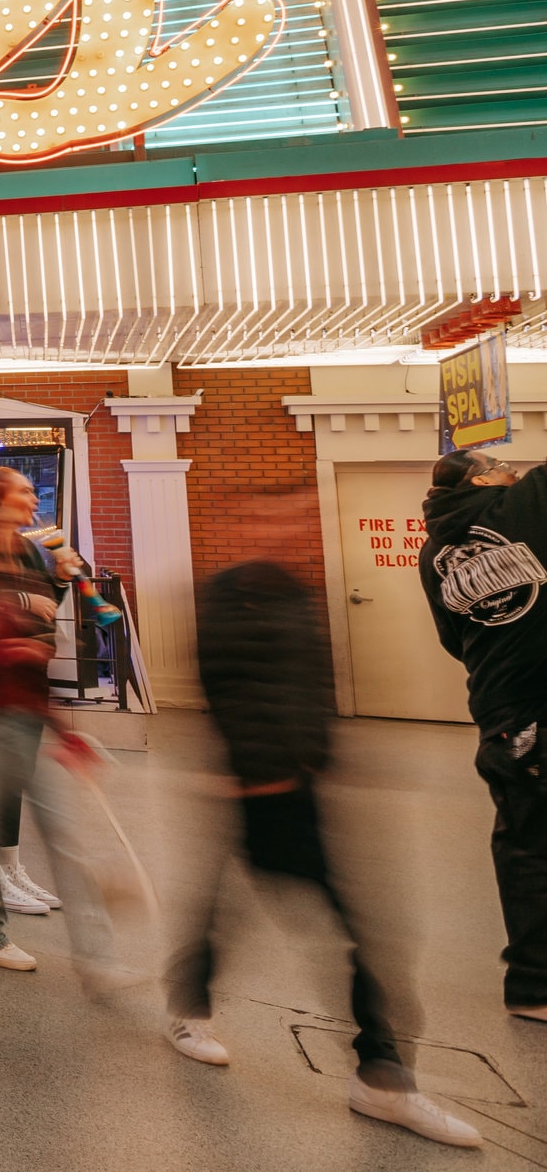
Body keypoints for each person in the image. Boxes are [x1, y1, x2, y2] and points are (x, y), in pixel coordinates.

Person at [165, 556, 478, 1147]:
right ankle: (380, 1076)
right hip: (262, 782)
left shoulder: (293, 594)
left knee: (312, 917)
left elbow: (311, 679)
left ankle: (376, 1072)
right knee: (339, 923)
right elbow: (225, 681)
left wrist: (323, 755)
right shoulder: (228, 597)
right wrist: (254, 770)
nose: (288, 522)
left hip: (302, 780)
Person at [0, 466, 112, 976]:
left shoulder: (26, 550)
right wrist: (7, 647)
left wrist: (59, 583)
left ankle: (98, 957)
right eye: (24, 490)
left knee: (61, 835)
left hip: (28, 708)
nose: (34, 499)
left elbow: (38, 625)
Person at [421, 448, 547, 1022]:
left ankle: (532, 984)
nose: (513, 472)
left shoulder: (433, 552)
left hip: (501, 711)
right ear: (484, 481)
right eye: (503, 466)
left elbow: (453, 639)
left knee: (524, 841)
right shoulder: (522, 505)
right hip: (538, 700)